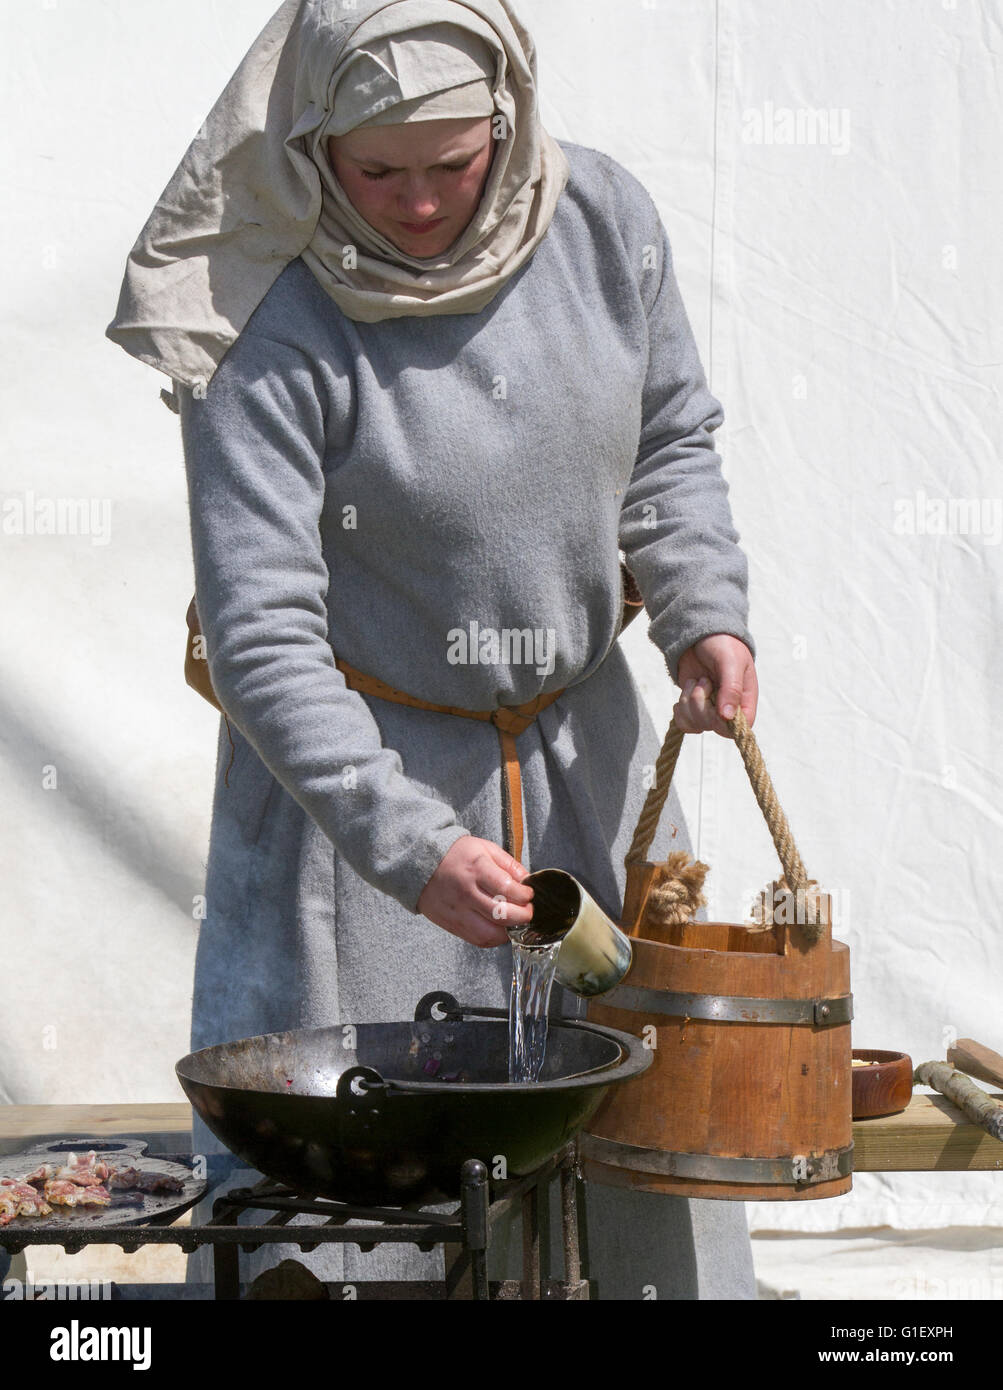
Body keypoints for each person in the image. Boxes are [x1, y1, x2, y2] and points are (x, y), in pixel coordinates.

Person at [107, 0, 759, 1299]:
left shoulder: (602, 226)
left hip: (586, 765)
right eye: (377, 170)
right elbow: (262, 639)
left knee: (640, 1154)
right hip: (356, 809)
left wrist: (703, 604)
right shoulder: (267, 312)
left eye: (453, 166)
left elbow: (672, 436)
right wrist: (411, 845)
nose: (416, 204)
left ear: (509, 119)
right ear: (312, 143)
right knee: (369, 1209)